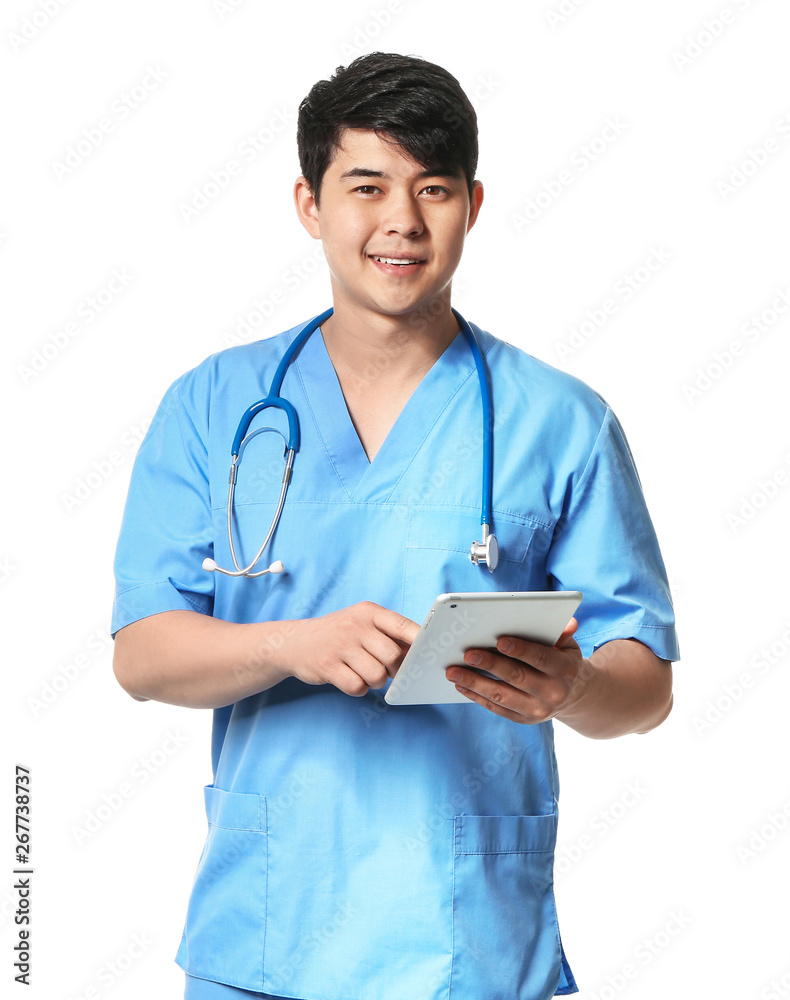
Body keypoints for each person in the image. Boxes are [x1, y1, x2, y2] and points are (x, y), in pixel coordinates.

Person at [111, 51, 679, 1000]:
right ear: (310, 203)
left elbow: (646, 688)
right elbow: (142, 655)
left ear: (474, 205)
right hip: (264, 939)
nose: (402, 222)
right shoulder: (214, 405)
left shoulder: (562, 420)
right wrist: (296, 644)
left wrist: (570, 686)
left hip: (470, 947)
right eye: (366, 186)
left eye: (434, 189)